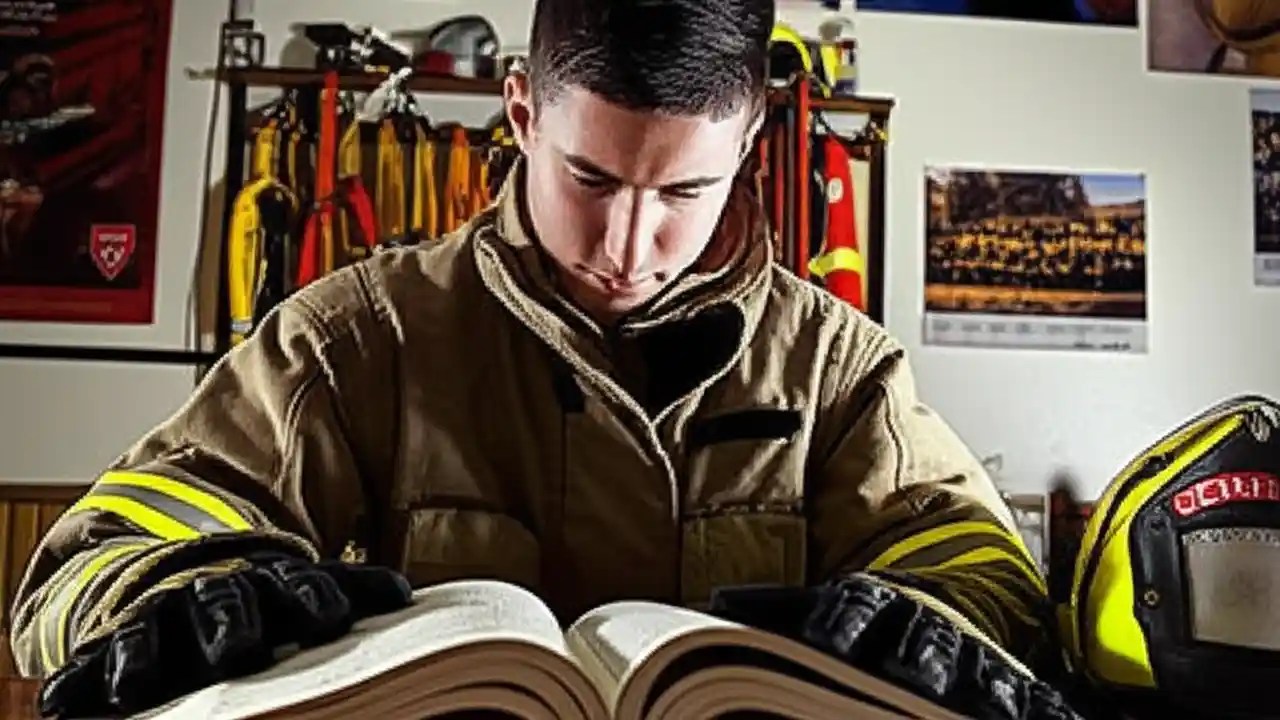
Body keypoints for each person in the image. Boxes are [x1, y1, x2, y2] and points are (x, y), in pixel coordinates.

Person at [13, 1, 1077, 717]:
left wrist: (927, 627)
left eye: (682, 195)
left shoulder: (841, 372)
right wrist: (187, 593)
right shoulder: (357, 338)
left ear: (749, 140)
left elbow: (982, 575)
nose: (627, 249)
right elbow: (90, 559)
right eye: (593, 179)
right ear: (521, 110)